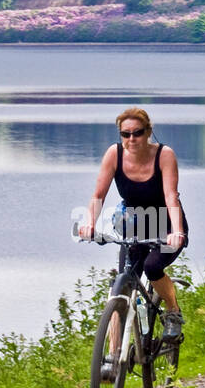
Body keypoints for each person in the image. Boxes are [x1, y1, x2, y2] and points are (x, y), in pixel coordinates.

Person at [78, 107, 189, 354]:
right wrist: (90, 223)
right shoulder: (114, 154)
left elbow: (172, 196)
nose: (131, 139)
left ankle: (172, 312)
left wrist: (177, 232)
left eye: (137, 133)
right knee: (122, 285)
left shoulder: (164, 155)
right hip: (136, 226)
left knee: (151, 268)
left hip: (167, 224)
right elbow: (98, 194)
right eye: (125, 134)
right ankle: (113, 357)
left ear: (148, 132)